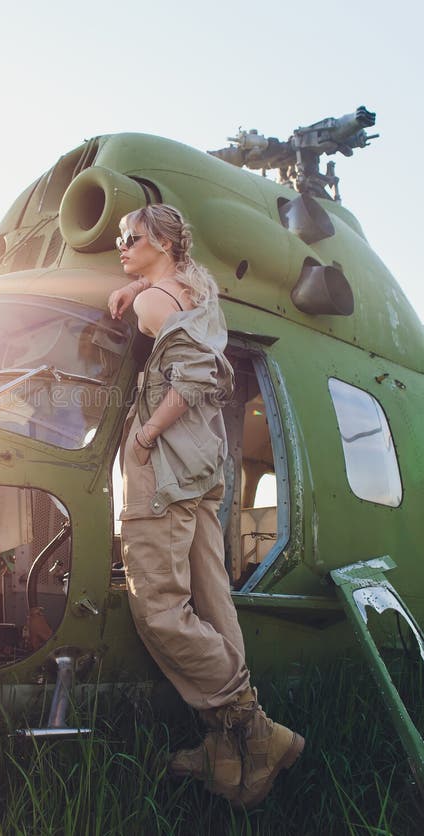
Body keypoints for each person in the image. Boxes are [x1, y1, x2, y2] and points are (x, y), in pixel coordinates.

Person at [108, 204, 304, 809]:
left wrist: (143, 436)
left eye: (131, 238)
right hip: (199, 467)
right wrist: (140, 281)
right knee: (212, 599)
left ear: (163, 241)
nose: (121, 244)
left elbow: (196, 374)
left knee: (159, 608)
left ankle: (254, 729)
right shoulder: (195, 289)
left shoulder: (156, 304)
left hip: (164, 468)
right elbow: (189, 328)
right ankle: (226, 758)